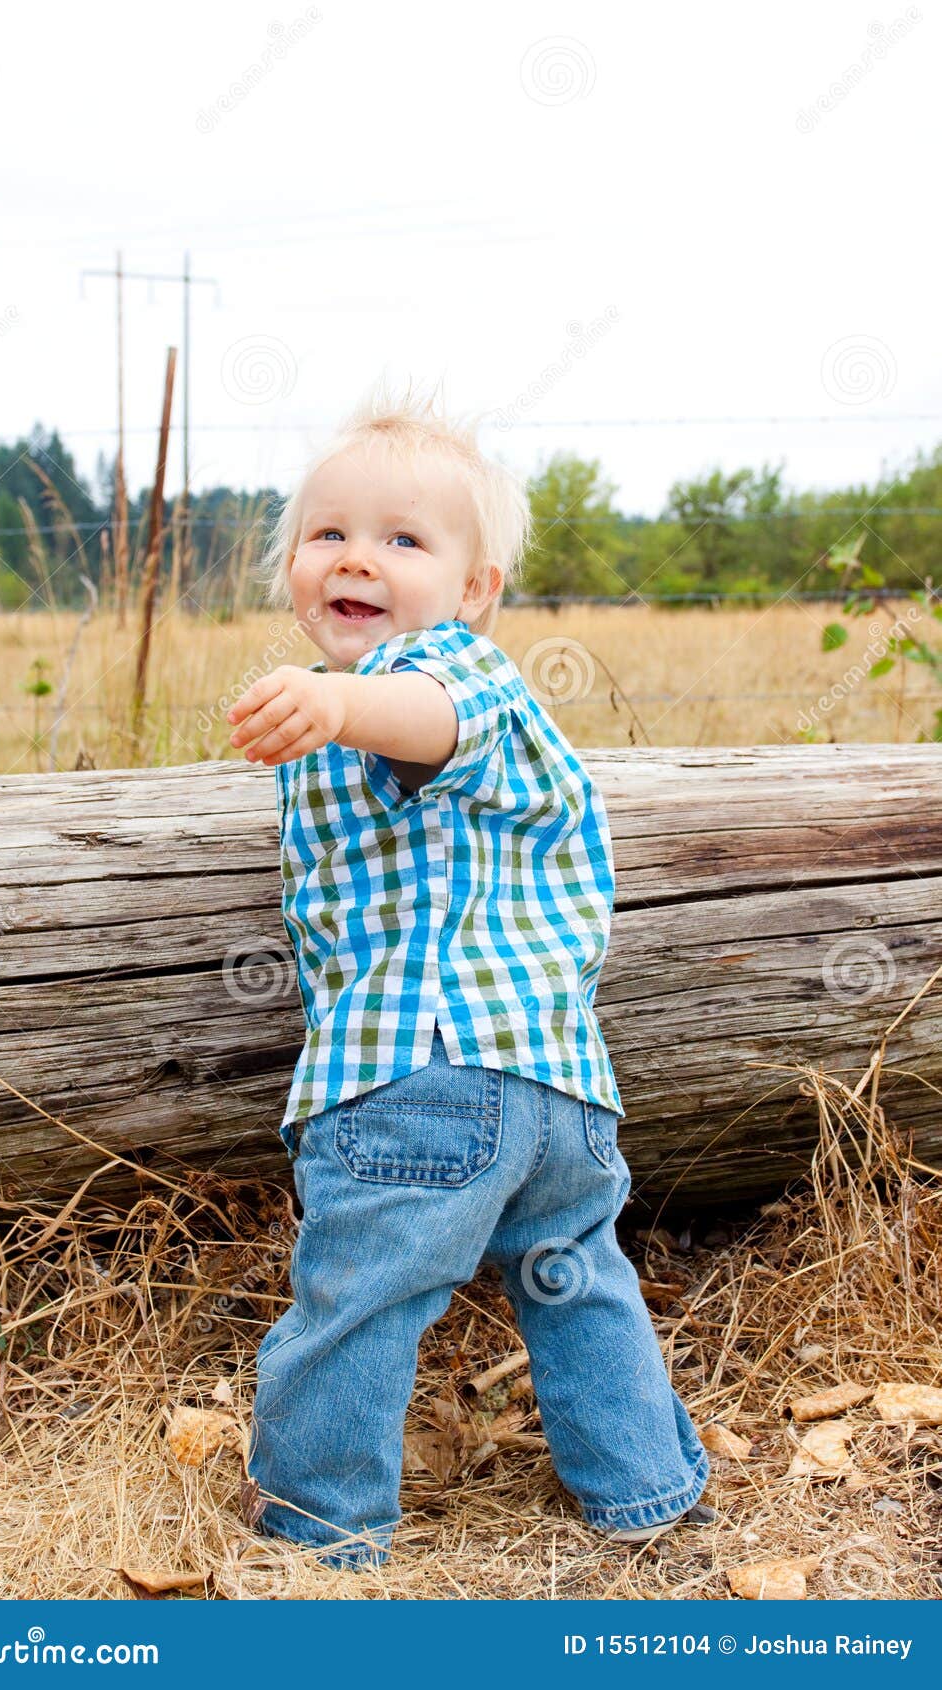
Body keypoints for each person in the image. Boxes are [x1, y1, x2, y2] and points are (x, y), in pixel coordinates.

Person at [227, 381, 713, 1569]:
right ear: (290, 566)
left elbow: (426, 718)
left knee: (360, 1299)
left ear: (475, 589)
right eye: (329, 533)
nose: (358, 557)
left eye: (403, 539)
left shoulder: (448, 673)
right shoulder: (381, 695)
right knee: (574, 1278)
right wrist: (335, 704)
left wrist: (336, 700)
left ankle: (319, 1527)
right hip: (556, 1087)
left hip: (420, 1080)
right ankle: (642, 1485)